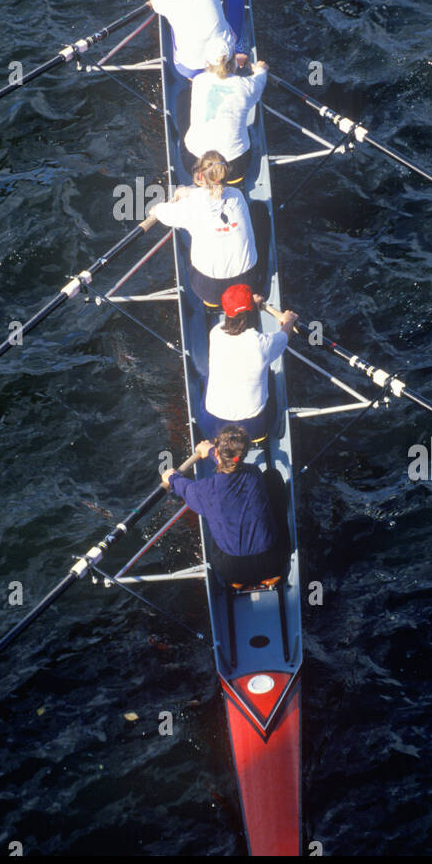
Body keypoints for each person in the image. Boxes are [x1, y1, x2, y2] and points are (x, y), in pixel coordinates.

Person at [160, 427, 287, 587]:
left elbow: (182, 487)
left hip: (231, 570)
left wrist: (171, 477)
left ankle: (237, 582)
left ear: (218, 453)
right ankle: (269, 577)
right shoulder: (254, 474)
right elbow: (231, 461)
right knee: (273, 477)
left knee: (215, 519)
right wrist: (212, 451)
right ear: (244, 453)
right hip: (273, 563)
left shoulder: (202, 490)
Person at [150, 150, 258, 307]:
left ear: (200, 177)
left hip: (210, 290)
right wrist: (189, 192)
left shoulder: (189, 206)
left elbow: (157, 211)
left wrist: (156, 209)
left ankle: (211, 303)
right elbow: (213, 195)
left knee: (186, 239)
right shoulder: (237, 195)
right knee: (259, 209)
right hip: (247, 283)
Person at [201, 284, 297, 441]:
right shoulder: (263, 344)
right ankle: (267, 434)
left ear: (226, 312)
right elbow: (285, 334)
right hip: (252, 427)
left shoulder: (215, 333)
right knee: (270, 373)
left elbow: (241, 318)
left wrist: (251, 307)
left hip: (211, 424)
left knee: (207, 377)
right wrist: (288, 321)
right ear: (252, 310)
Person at [184, 36, 268, 182]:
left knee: (182, 99)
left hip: (194, 163)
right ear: (232, 60)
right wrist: (261, 68)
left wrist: (234, 61)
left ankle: (203, 181)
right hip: (236, 167)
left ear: (207, 61)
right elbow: (261, 73)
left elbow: (220, 70)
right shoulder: (248, 86)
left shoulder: (199, 81)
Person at [149, 0, 242, 79]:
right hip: (224, 60)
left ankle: (194, 78)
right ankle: (240, 49)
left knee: (174, 26)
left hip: (189, 69)